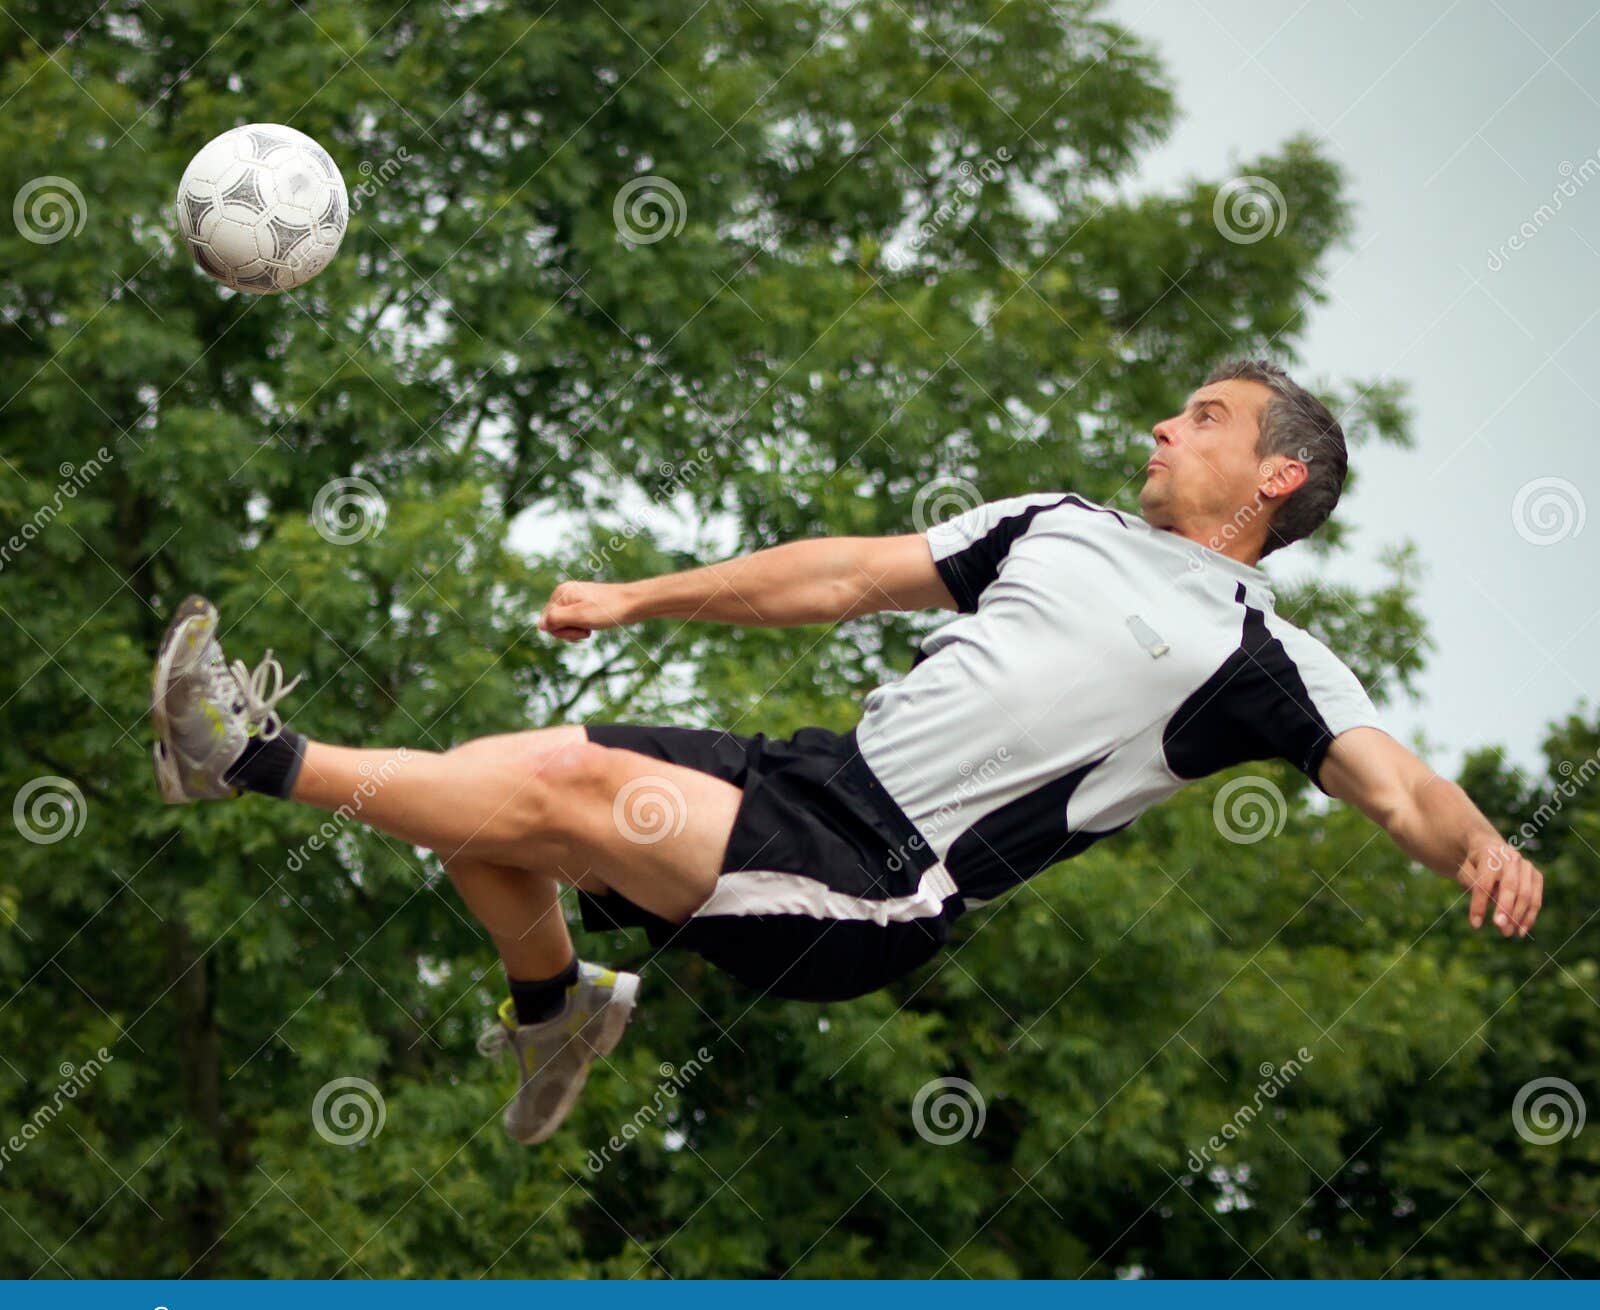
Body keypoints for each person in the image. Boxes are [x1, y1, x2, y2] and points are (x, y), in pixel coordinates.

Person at [148, 359, 1544, 1146]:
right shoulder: (1052, 521)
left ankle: (241, 752)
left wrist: (1476, 842)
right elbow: (836, 576)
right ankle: (559, 1000)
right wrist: (639, 593)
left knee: (554, 790)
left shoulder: (1263, 654)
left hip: (884, 879)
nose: (1163, 426)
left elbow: (1395, 781)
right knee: (481, 794)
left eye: (1205, 418)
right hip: (805, 774)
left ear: (1277, 476)